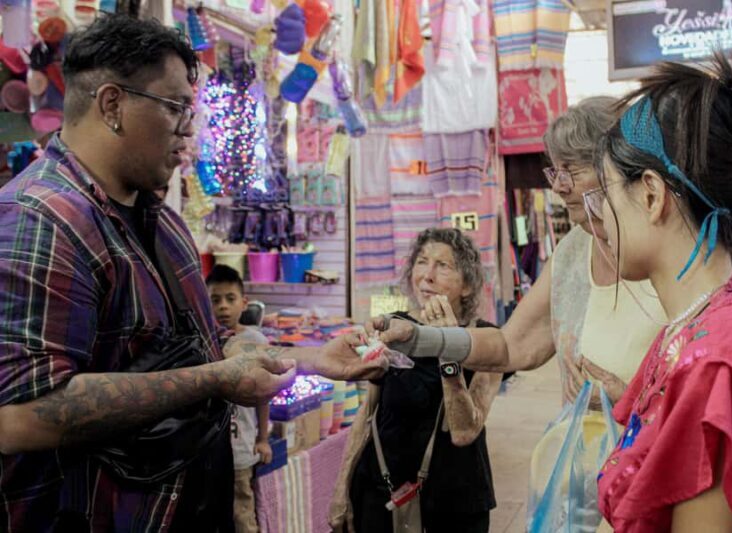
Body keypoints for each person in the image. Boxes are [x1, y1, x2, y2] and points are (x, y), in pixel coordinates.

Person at [0, 15, 382, 532]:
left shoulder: (162, 221)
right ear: (112, 105)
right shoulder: (41, 217)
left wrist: (309, 359)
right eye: (176, 107)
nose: (190, 126)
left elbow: (198, 345)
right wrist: (217, 379)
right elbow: (21, 416)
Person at [370, 97, 666, 528]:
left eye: (571, 170)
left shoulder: (664, 252)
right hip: (583, 478)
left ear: (616, 167)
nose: (558, 186)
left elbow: (706, 392)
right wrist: (422, 338)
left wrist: (631, 402)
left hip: (652, 475)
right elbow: (512, 345)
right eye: (554, 171)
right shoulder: (573, 252)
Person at [590, 38, 732, 531]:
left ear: (650, 195)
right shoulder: (705, 326)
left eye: (605, 195)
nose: (599, 218)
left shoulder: (716, 363)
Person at [330, 228, 504, 533]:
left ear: (467, 285)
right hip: (382, 492)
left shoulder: (485, 340)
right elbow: (367, 414)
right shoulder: (394, 329)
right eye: (422, 262)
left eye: (443, 266)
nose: (427, 276)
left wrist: (448, 345)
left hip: (454, 502)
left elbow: (464, 431)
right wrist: (341, 488)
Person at [206, 265, 272, 533]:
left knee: (242, 513)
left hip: (241, 450)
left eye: (230, 298)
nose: (223, 306)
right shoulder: (204, 340)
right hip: (208, 451)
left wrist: (263, 439)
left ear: (244, 302)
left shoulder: (255, 340)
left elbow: (263, 395)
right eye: (215, 300)